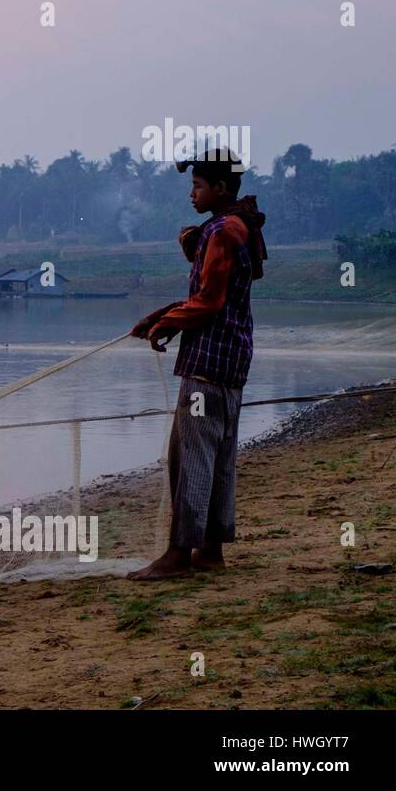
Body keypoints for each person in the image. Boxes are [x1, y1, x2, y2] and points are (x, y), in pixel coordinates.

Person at [128, 148, 268, 580]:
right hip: (234, 359)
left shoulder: (224, 231)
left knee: (190, 456)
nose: (192, 194)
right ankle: (210, 552)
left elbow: (209, 302)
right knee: (220, 455)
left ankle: (176, 556)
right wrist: (162, 318)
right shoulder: (241, 226)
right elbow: (217, 296)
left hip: (208, 361)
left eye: (198, 186)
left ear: (220, 188)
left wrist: (167, 325)